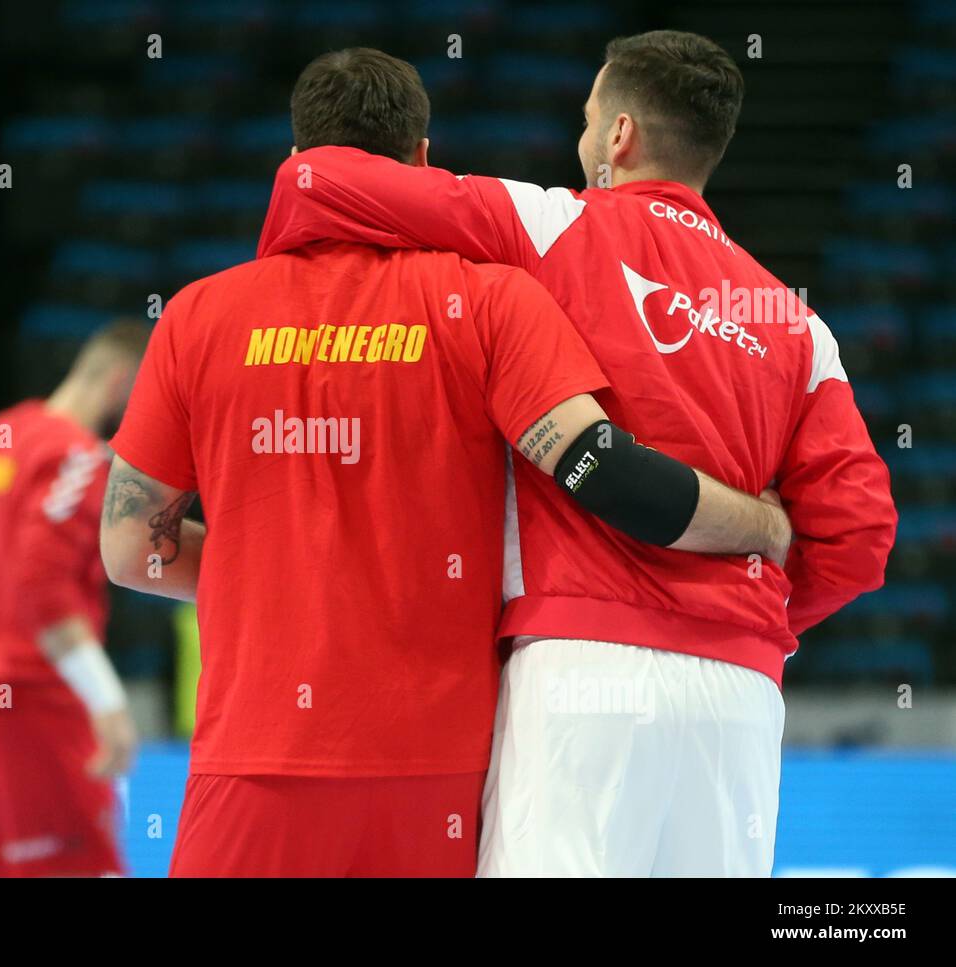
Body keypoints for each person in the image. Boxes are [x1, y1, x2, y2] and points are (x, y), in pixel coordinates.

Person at [100, 48, 791, 878]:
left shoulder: (196, 316)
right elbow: (599, 467)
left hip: (252, 756)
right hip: (438, 766)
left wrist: (261, 563)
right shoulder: (492, 300)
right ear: (423, 161)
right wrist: (763, 523)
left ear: (295, 163)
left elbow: (130, 547)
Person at [257, 33, 899, 876]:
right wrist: (746, 608)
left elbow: (319, 178)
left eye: (588, 117)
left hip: (581, 670)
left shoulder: (552, 223)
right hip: (740, 695)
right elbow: (858, 540)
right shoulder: (796, 324)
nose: (582, 135)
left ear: (620, 136)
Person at [0, 320, 149, 877]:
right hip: (35, 701)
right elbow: (42, 586)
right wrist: (107, 702)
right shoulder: (76, 456)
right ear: (123, 383)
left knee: (0, 869)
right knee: (74, 868)